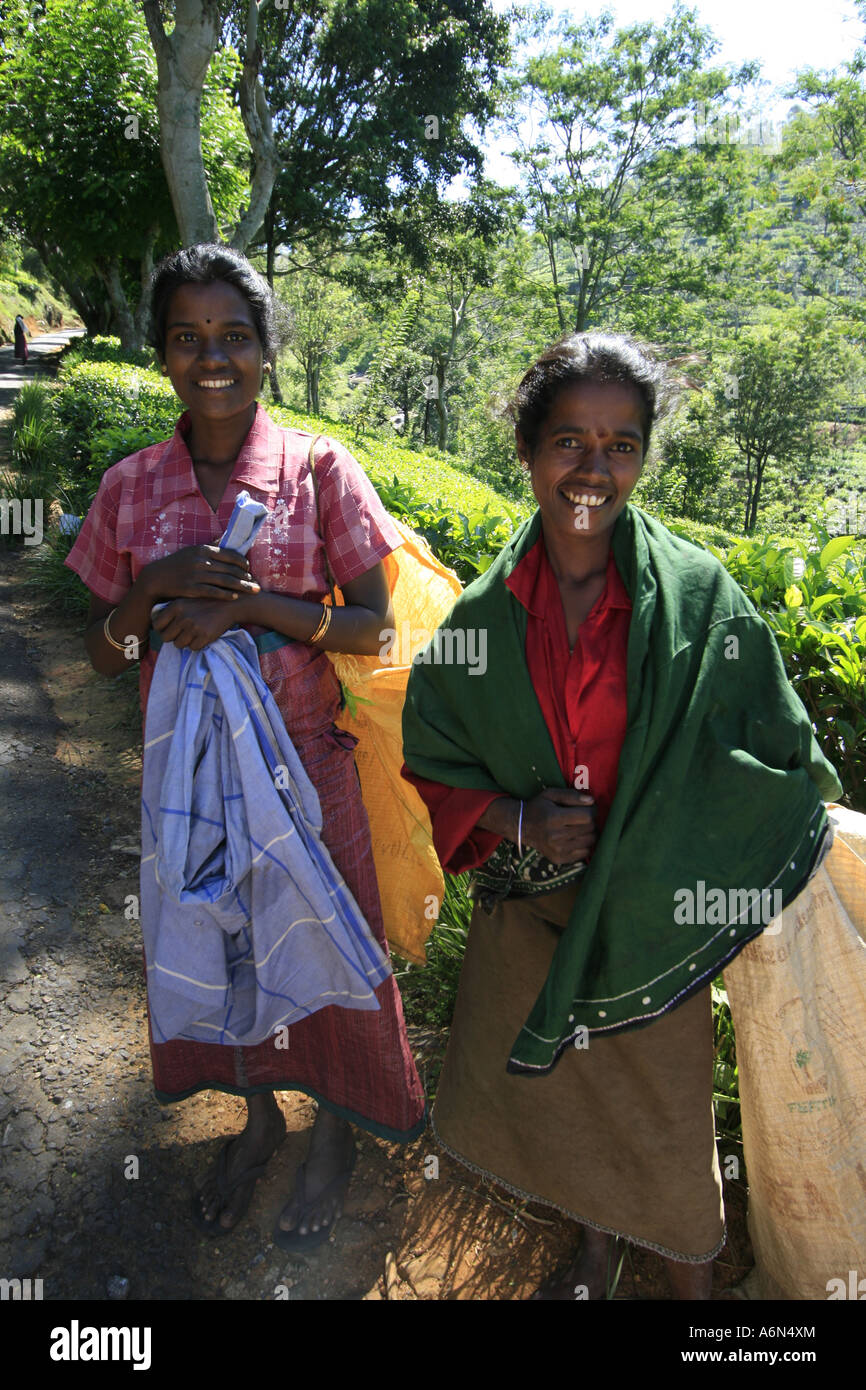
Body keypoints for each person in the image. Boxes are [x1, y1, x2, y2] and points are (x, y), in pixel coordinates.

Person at [402, 332, 842, 1300]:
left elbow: (773, 748)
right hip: (533, 915)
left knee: (662, 1119)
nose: (592, 470)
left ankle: (689, 1293)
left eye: (620, 445)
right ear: (525, 450)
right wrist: (516, 819)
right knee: (561, 1104)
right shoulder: (481, 619)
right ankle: (594, 1250)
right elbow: (430, 755)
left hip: (652, 919)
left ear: (643, 454)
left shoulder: (695, 598)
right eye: (568, 441)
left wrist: (687, 849)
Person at [65, 243, 426, 1248]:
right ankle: (258, 1118)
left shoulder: (318, 470)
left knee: (333, 955)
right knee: (224, 957)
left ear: (266, 351)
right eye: (187, 337)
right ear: (164, 355)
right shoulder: (131, 487)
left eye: (233, 335)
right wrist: (154, 586)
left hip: (308, 770)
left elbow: (372, 628)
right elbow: (102, 653)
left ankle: (333, 1139)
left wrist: (248, 607)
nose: (210, 355)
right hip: (188, 780)